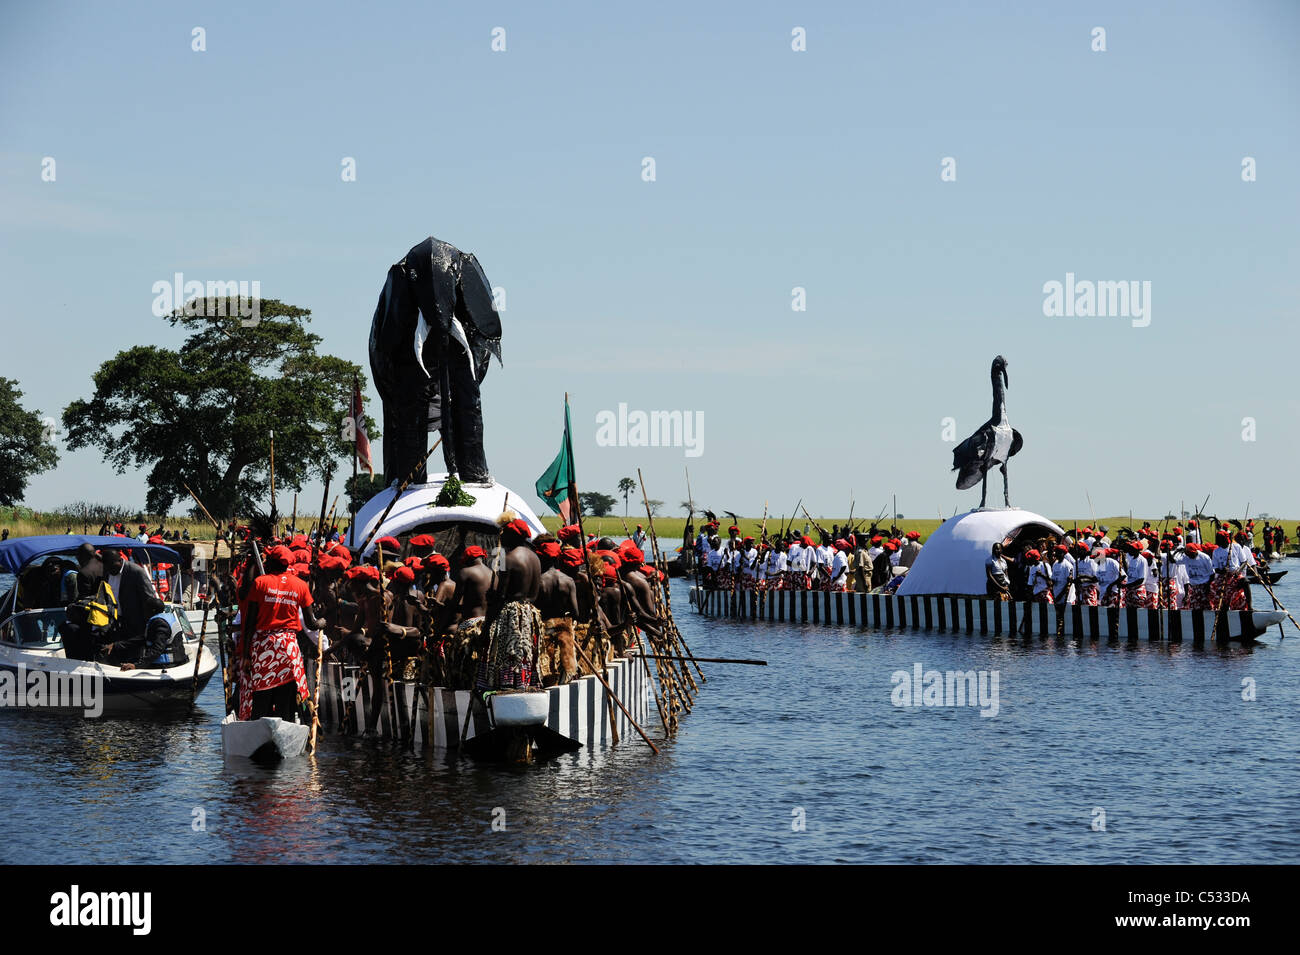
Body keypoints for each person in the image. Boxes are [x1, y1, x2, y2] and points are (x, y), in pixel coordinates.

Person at [238, 545, 322, 722]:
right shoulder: (300, 585)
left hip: (263, 646)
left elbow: (250, 623)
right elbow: (312, 623)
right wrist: (324, 622)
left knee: (261, 696)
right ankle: (286, 725)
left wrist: (245, 655)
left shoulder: (260, 583)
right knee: (287, 697)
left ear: (271, 562)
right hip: (288, 647)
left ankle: (259, 729)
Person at [479, 518, 543, 690]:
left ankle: (509, 688)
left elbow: (501, 597)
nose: (502, 538)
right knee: (525, 655)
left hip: (512, 617)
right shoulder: (535, 558)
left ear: (513, 535)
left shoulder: (509, 558)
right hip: (530, 615)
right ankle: (524, 684)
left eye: (504, 533)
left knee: (509, 656)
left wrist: (486, 628)